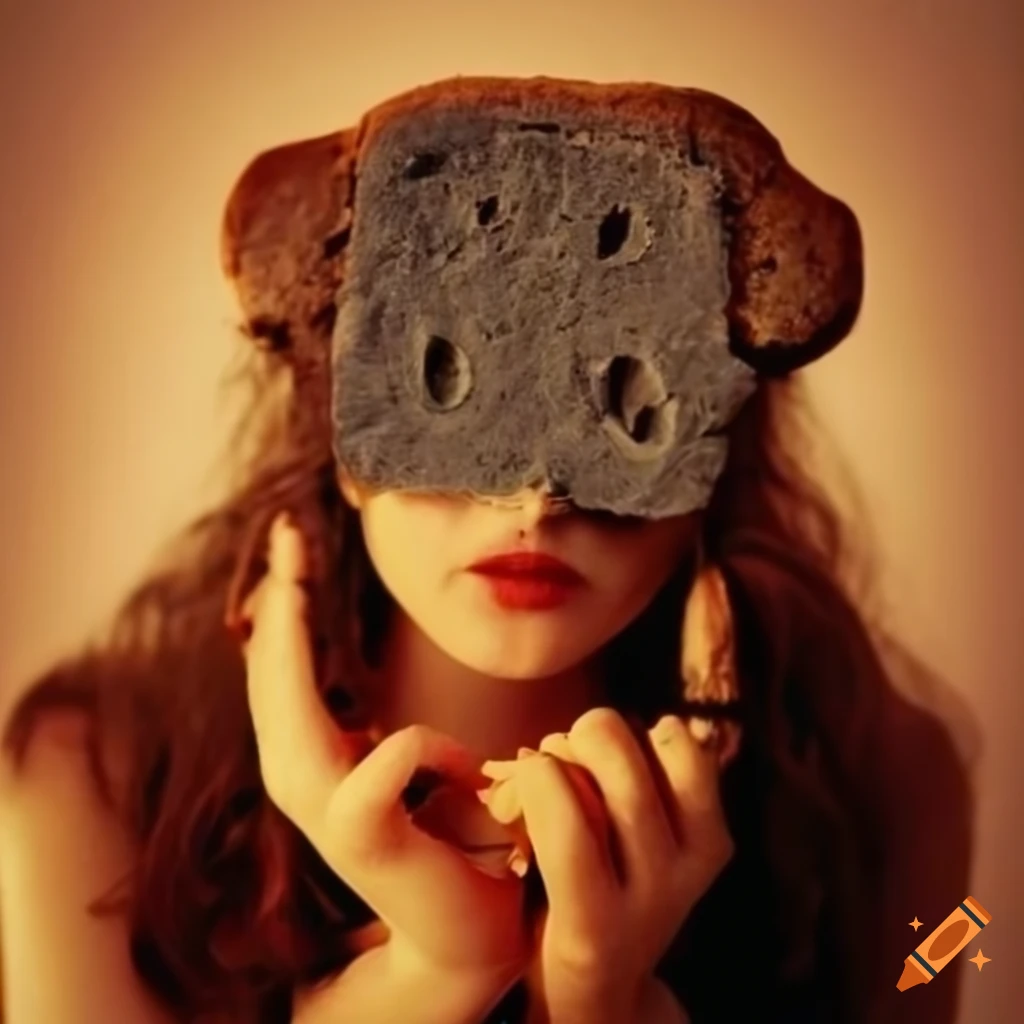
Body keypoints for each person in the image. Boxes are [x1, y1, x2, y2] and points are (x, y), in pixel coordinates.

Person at [0, 77, 975, 1024]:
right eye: (444, 375)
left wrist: (612, 1009)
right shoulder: (83, 785)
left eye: (632, 401)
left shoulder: (898, 796)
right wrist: (428, 981)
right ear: (337, 425)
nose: (532, 500)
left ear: (719, 436)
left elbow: (955, 952)